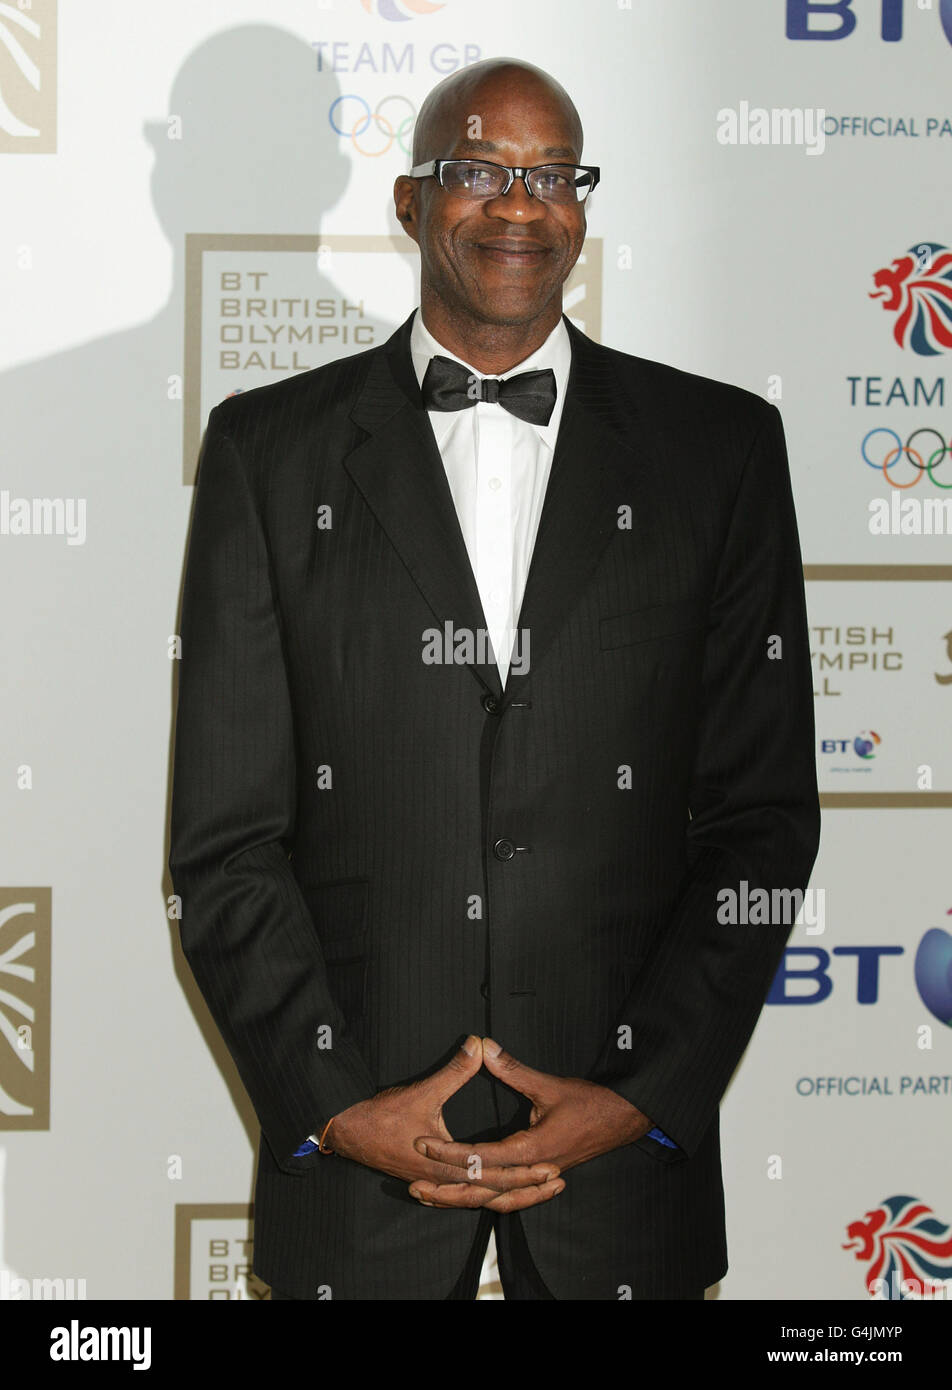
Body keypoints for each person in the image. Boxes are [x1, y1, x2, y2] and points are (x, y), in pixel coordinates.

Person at [168, 57, 820, 1301]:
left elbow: (759, 820)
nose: (517, 206)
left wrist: (636, 1096)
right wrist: (338, 1105)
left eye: (550, 176)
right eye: (475, 171)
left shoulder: (721, 450)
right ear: (411, 203)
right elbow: (225, 840)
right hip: (360, 1196)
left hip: (621, 1197)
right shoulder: (269, 451)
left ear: (581, 207)